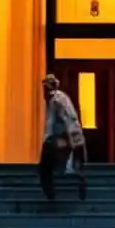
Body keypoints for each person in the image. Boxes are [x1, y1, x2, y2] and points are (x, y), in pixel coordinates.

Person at [38, 74, 86, 202]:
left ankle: (50, 192)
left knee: (45, 164)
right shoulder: (62, 98)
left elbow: (55, 122)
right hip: (70, 137)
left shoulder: (55, 100)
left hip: (65, 138)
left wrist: (47, 139)